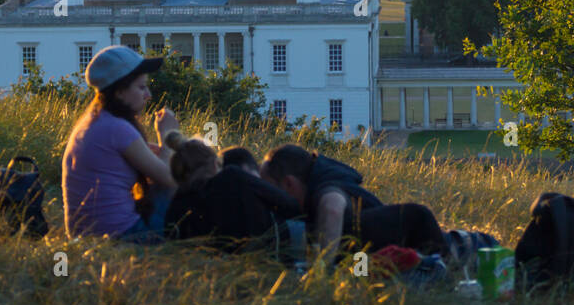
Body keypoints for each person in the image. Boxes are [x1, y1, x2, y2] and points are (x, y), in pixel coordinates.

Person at [62, 45, 179, 243]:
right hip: (123, 236)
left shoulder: (94, 121)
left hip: (83, 236)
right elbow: (169, 179)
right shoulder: (118, 128)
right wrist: (168, 135)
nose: (148, 95)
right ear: (119, 92)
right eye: (141, 87)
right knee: (183, 186)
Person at [260, 144, 450, 261]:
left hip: (424, 246)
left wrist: (320, 272)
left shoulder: (326, 188)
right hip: (375, 254)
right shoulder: (322, 180)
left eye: (272, 190)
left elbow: (332, 208)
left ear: (289, 183)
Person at [165, 140, 306, 253]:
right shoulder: (232, 177)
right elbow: (290, 205)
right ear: (215, 165)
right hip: (268, 257)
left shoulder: (174, 210)